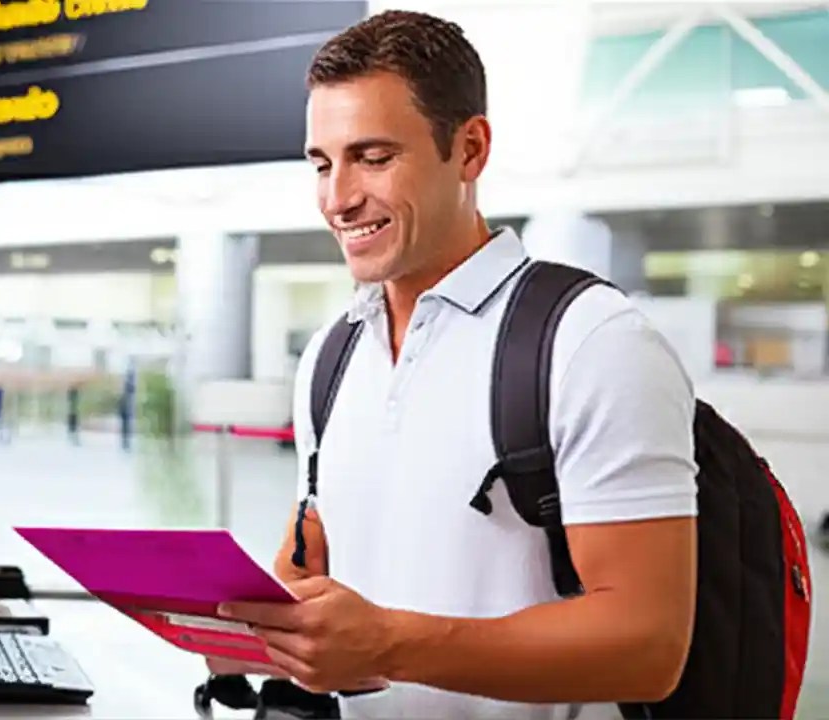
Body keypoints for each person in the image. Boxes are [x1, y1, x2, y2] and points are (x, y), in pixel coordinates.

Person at [209, 10, 699, 720]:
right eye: (322, 163)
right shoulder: (333, 354)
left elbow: (647, 646)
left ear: (468, 150)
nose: (338, 198)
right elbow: (311, 553)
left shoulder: (591, 342)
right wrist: (240, 619)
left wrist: (387, 645)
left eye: (373, 158)